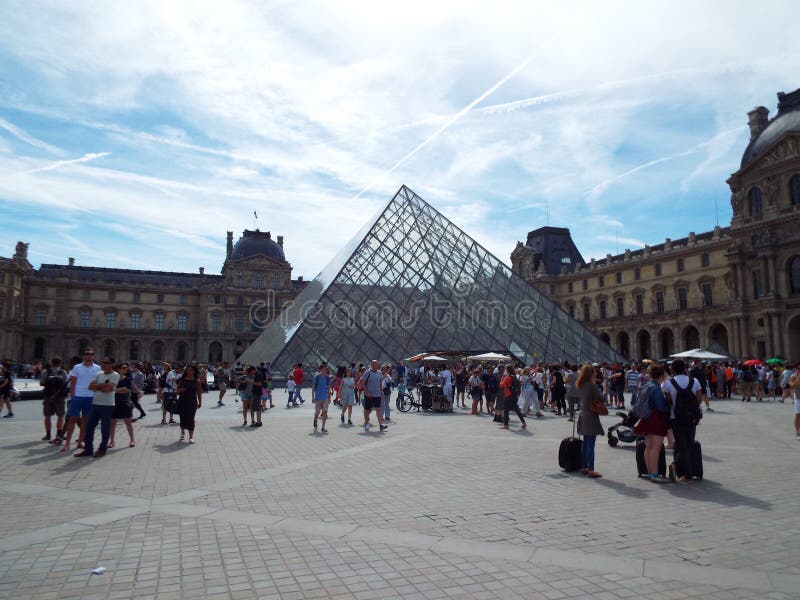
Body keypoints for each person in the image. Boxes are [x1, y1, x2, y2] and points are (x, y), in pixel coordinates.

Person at [661, 359, 702, 483]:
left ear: (672, 369)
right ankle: (685, 471)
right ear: (685, 368)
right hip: (691, 418)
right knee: (689, 443)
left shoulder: (667, 383)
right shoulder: (694, 381)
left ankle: (684, 473)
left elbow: (667, 401)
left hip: (676, 418)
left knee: (680, 444)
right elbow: (699, 400)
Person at [57, 348, 101, 452]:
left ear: (93, 356)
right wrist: (72, 397)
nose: (89, 356)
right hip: (78, 396)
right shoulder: (77, 367)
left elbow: (98, 382)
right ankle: (67, 443)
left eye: (91, 354)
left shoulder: (98, 368)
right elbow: (72, 383)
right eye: (86, 354)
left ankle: (80, 441)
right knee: (72, 419)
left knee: (85, 421)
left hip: (90, 397)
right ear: (83, 356)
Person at [75, 356, 119, 458]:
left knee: (105, 429)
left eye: (106, 362)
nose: (103, 364)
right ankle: (88, 450)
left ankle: (102, 449)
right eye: (102, 362)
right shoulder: (98, 373)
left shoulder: (115, 375)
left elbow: (108, 389)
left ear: (111, 364)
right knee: (89, 427)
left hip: (107, 405)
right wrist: (103, 385)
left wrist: (98, 386)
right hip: (95, 404)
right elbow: (90, 387)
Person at [633, 365, 670, 482]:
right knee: (656, 448)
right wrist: (668, 405)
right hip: (656, 419)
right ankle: (654, 474)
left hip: (647, 418)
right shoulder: (656, 389)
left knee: (648, 447)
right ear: (661, 376)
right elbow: (660, 407)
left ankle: (650, 473)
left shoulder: (647, 386)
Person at [576, 364, 603, 478]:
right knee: (590, 444)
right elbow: (602, 398)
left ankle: (584, 466)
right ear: (592, 373)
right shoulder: (591, 385)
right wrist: (603, 389)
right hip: (591, 416)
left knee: (586, 443)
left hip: (583, 415)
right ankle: (591, 469)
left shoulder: (580, 384)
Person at [108, 363, 137, 449]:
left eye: (126, 367)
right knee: (112, 423)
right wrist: (121, 389)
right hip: (114, 402)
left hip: (125, 402)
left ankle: (132, 440)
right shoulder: (113, 379)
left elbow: (128, 390)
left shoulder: (128, 379)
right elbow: (111, 390)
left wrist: (117, 390)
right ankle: (112, 441)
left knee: (128, 422)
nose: (126, 369)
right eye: (123, 368)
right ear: (118, 370)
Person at [40, 356, 68, 441]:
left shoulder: (45, 372)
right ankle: (58, 434)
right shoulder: (63, 372)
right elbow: (65, 384)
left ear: (51, 362)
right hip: (59, 397)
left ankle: (48, 435)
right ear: (60, 363)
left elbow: (41, 383)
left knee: (47, 416)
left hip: (48, 396)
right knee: (60, 416)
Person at [177, 364, 202, 442]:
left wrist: (200, 402)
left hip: (192, 401)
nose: (189, 371)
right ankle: (182, 433)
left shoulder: (197, 381)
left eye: (191, 370)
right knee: (182, 417)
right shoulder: (182, 380)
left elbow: (199, 392)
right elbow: (177, 392)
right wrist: (180, 390)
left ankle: (191, 437)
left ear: (194, 371)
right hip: (182, 401)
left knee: (191, 418)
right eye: (188, 370)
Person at [361, 360, 387, 432]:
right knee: (367, 410)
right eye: (375, 364)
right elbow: (362, 382)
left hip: (377, 394)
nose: (377, 365)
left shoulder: (379, 372)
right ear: (372, 365)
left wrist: (381, 392)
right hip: (369, 395)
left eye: (377, 364)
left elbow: (379, 382)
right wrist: (366, 392)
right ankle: (366, 423)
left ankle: (381, 425)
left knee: (378, 409)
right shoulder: (368, 372)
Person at [498, 365, 526, 430]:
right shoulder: (514, 376)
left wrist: (502, 379)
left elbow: (501, 385)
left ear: (507, 370)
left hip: (508, 395)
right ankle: (523, 423)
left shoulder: (507, 377)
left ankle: (506, 425)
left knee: (506, 410)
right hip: (514, 395)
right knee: (517, 409)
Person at [312, 363, 331, 432]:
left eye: (326, 369)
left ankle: (323, 427)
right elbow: (313, 387)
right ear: (320, 370)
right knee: (317, 412)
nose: (325, 370)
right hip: (318, 397)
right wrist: (313, 397)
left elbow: (328, 388)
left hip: (325, 397)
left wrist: (329, 397)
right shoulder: (316, 377)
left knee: (325, 412)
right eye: (323, 369)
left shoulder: (327, 378)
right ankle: (315, 420)